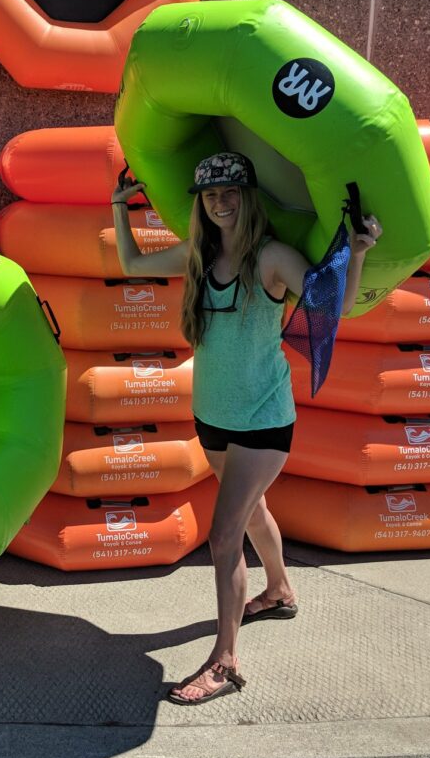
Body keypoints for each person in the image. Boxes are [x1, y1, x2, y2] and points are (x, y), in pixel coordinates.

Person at [111, 152, 380, 705]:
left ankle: (225, 659)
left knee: (223, 534)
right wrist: (121, 209)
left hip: (262, 420)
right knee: (252, 511)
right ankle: (279, 590)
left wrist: (355, 253)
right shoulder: (200, 257)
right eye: (210, 194)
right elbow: (134, 263)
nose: (220, 201)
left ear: (248, 194)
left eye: (231, 191)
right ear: (201, 204)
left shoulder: (272, 257)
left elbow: (337, 306)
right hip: (212, 417)